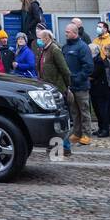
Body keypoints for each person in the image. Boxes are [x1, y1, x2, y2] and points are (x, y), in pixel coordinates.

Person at [36, 27, 72, 155]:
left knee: (60, 119)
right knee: (52, 120)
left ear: (47, 38)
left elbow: (65, 70)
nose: (38, 41)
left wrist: (67, 87)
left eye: (40, 38)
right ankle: (54, 146)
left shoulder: (54, 50)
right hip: (47, 89)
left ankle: (65, 147)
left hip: (57, 89)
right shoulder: (43, 51)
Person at [62, 23, 94, 143]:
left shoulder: (82, 47)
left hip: (80, 85)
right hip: (70, 85)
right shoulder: (65, 47)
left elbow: (88, 67)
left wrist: (77, 78)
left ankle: (86, 134)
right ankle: (77, 132)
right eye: (66, 31)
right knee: (74, 111)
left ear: (75, 33)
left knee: (84, 111)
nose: (66, 33)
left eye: (68, 32)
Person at [89, 42, 110, 137]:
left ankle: (105, 129)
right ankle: (100, 127)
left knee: (103, 110)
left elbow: (93, 74)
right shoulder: (93, 60)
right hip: (94, 89)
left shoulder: (99, 61)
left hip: (101, 89)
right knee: (97, 110)